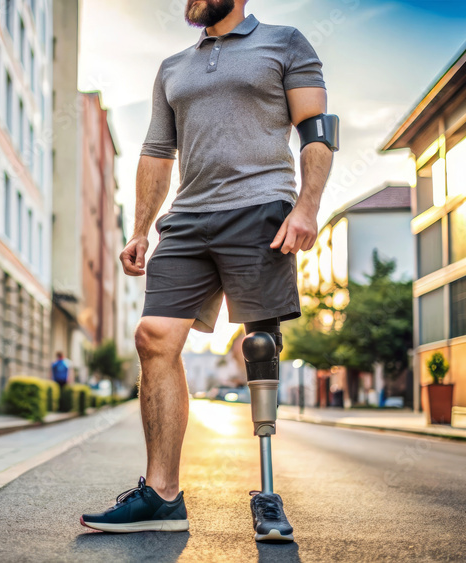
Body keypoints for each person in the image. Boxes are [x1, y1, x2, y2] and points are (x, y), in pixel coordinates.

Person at [79, 0, 334, 542]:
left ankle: (268, 493)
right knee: (152, 336)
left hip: (261, 207)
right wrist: (142, 228)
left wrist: (307, 207)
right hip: (188, 219)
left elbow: (316, 130)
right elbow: (155, 150)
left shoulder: (285, 42)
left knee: (259, 345)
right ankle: (163, 495)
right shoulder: (173, 67)